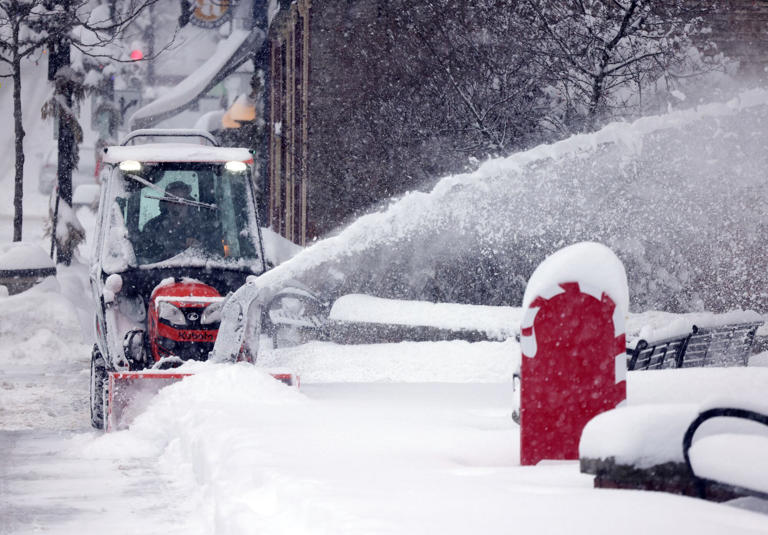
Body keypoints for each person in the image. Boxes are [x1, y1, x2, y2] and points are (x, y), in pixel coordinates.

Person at [138, 181, 201, 262]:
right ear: (165, 203)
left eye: (181, 201)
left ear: (188, 202)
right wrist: (163, 251)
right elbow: (144, 258)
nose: (176, 205)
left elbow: (215, 254)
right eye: (171, 200)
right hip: (159, 271)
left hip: (196, 270)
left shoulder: (201, 226)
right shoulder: (152, 226)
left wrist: (198, 248)